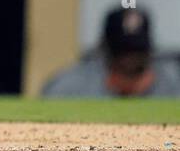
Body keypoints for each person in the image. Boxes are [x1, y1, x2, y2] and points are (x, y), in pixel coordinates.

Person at [43, 7, 180, 98]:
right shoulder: (72, 85)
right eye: (122, 51)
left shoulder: (172, 82)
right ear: (104, 49)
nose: (129, 58)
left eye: (136, 50)